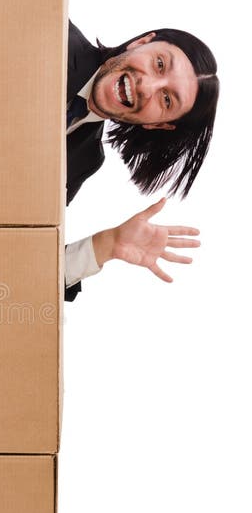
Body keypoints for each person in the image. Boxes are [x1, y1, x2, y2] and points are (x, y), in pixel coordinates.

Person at [64, 21, 219, 302]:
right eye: (159, 64)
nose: (147, 86)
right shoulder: (52, 33)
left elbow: (16, 255)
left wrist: (106, 245)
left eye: (167, 100)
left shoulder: (84, 160)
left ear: (158, 125)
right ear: (141, 42)